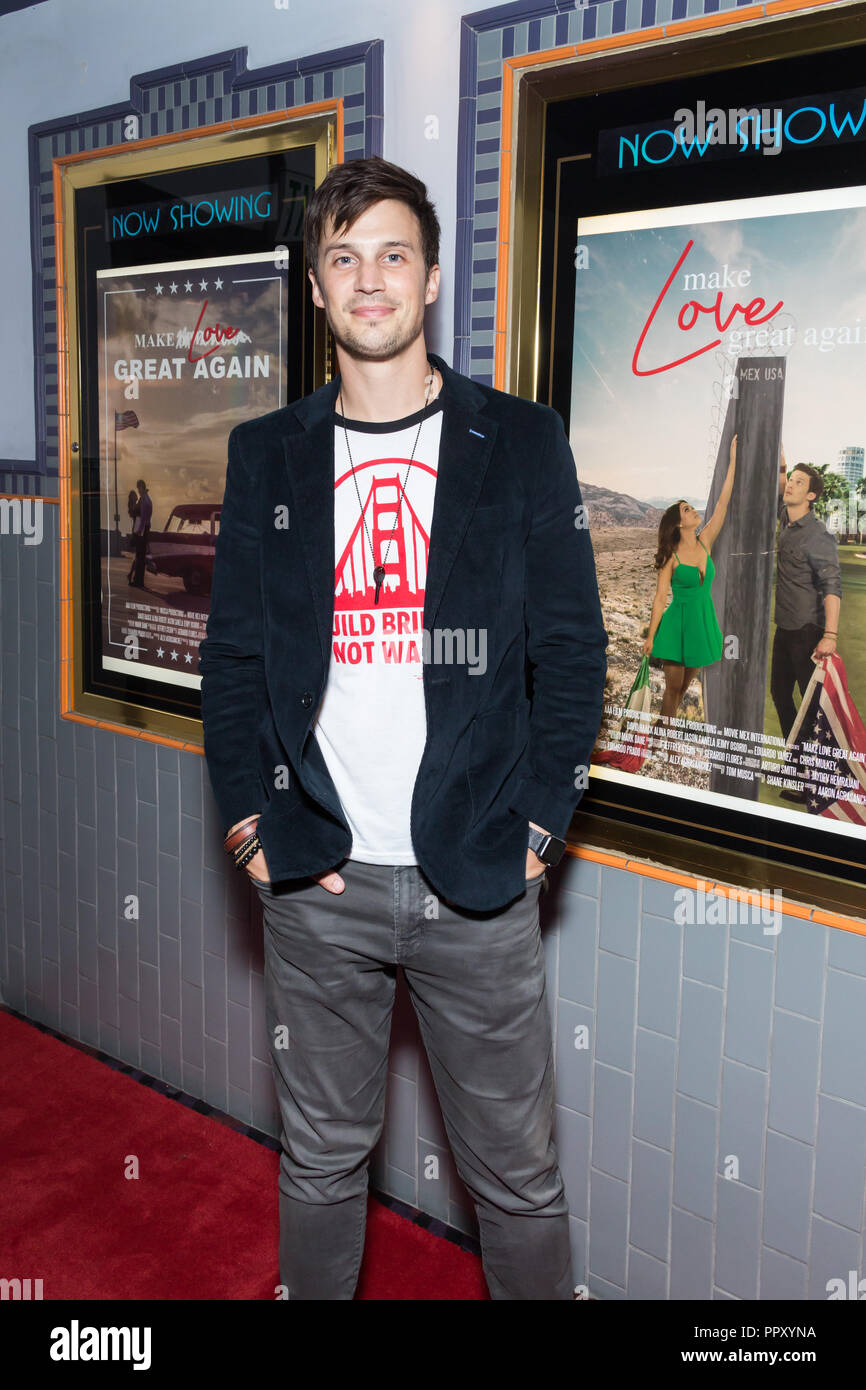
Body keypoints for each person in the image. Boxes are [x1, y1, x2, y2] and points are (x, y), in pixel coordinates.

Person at [198, 155, 608, 1301]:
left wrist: (534, 828)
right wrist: (249, 826)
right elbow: (230, 663)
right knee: (322, 1164)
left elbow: (572, 656)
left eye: (391, 254)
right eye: (343, 258)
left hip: (475, 878)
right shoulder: (263, 453)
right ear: (317, 291)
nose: (368, 279)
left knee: (517, 1182)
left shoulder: (519, 442)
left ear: (430, 280)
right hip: (316, 882)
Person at [643, 433, 737, 721]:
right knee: (672, 690)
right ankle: (663, 745)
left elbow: (722, 504)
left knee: (682, 689)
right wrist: (650, 635)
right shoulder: (670, 556)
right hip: (677, 625)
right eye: (687, 509)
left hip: (702, 622)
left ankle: (661, 732)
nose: (693, 511)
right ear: (678, 522)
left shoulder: (705, 540)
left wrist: (733, 461)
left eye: (691, 507)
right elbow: (660, 598)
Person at [771, 449, 841, 800]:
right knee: (780, 695)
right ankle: (797, 768)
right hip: (784, 628)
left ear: (812, 495)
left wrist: (830, 634)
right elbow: (781, 480)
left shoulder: (818, 535)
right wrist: (782, 457)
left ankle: (815, 780)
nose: (791, 486)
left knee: (811, 709)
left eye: (800, 483)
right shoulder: (787, 520)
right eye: (791, 481)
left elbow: (832, 587)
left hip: (807, 631)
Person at [129, 478, 152, 588]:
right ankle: (139, 581)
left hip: (142, 530)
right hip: (147, 528)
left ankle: (137, 581)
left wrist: (139, 530)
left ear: (142, 487)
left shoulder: (143, 500)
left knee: (139, 555)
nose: (138, 490)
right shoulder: (148, 499)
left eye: (139, 488)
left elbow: (142, 518)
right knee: (141, 557)